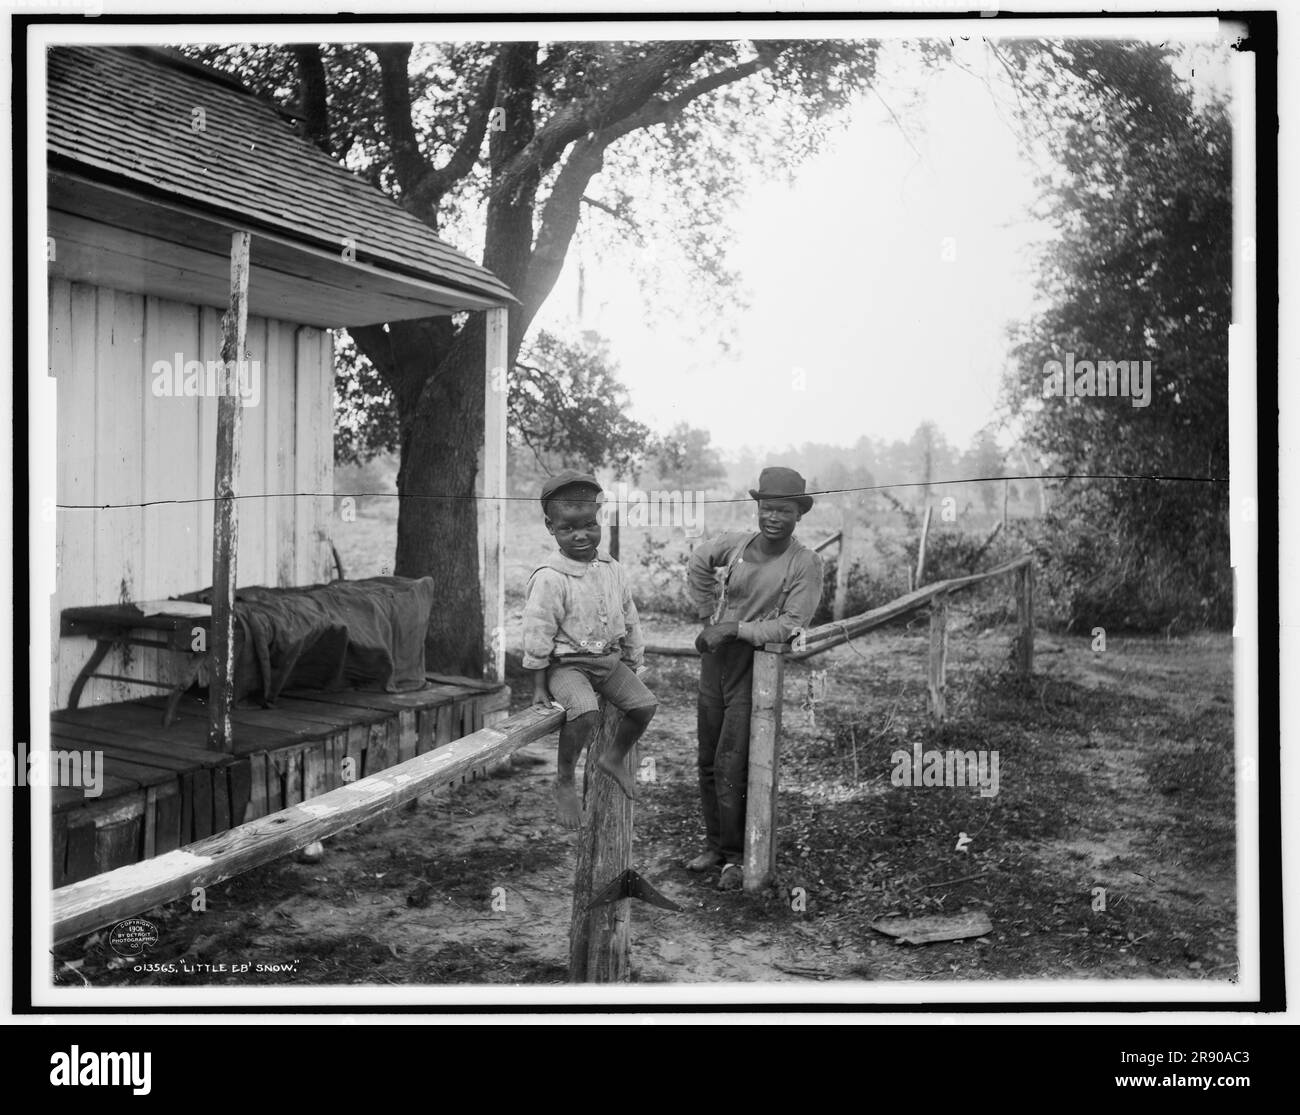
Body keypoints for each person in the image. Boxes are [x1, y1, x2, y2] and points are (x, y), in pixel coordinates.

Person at [686, 467, 825, 890]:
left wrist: (735, 629)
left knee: (734, 761)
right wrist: (708, 612)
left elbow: (791, 624)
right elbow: (698, 559)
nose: (774, 517)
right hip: (717, 661)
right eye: (767, 508)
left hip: (756, 667)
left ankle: (735, 857)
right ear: (758, 507)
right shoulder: (735, 545)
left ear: (798, 514)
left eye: (784, 510)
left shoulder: (805, 562)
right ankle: (714, 844)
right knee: (708, 757)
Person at [522, 470, 658, 830]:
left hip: (607, 660)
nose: (581, 535)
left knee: (645, 705)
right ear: (552, 527)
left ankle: (613, 758)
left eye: (588, 525)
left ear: (598, 520)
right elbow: (537, 632)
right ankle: (564, 778)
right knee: (584, 711)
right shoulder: (551, 577)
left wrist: (633, 657)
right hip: (568, 666)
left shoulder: (611, 568)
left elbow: (628, 613)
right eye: (568, 528)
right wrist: (538, 686)